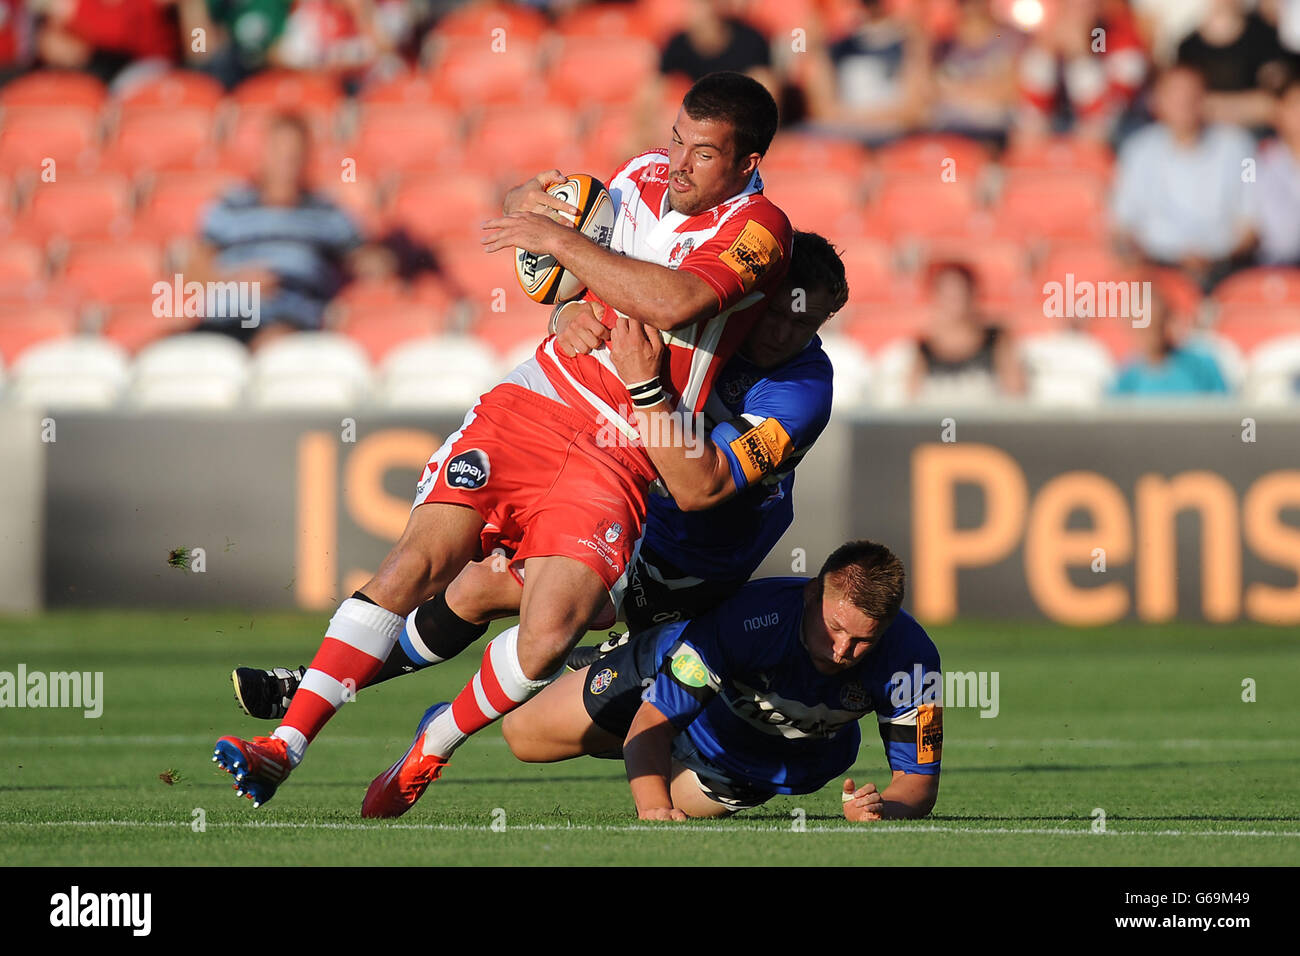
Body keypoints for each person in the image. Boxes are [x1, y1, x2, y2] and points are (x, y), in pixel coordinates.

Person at [212, 71, 792, 811]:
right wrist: (547, 251)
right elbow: (561, 252)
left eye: (703, 154)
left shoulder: (763, 230)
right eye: (676, 138)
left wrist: (558, 243)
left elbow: (673, 298)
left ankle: (431, 746)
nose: (676, 162)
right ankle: (280, 748)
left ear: (745, 165)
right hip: (537, 402)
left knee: (549, 636)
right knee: (415, 564)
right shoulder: (643, 173)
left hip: (622, 447)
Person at [501, 539, 942, 821]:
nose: (843, 650)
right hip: (670, 674)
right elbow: (652, 723)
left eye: (864, 640)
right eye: (835, 628)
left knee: (674, 790)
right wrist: (653, 809)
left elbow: (918, 783)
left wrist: (885, 808)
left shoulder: (914, 661)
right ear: (812, 595)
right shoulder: (750, 623)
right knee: (523, 738)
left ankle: (639, 743)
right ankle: (625, 657)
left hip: (753, 762)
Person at [189, 111, 363, 348]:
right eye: (279, 152)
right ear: (264, 153)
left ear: (306, 157)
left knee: (273, 346)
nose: (286, 162)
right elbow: (194, 271)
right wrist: (235, 282)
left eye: (293, 154)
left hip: (289, 320)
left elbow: (364, 260)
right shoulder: (230, 206)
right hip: (226, 320)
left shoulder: (327, 211)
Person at [1110, 64, 1256, 291]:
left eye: (1191, 94)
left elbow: (1251, 221)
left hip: (1224, 271)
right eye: (1174, 95)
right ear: (1157, 101)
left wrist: (1217, 259)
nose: (1183, 103)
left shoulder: (1240, 147)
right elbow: (1123, 224)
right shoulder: (1137, 150)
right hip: (1158, 270)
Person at [907, 261, 1024, 403]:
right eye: (947, 295)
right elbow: (912, 401)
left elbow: (1016, 394)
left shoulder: (997, 339)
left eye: (958, 293)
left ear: (972, 294)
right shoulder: (924, 347)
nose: (954, 301)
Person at [1109, 286, 1230, 397]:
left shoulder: (1201, 367)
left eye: (1154, 325)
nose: (1147, 334)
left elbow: (1223, 409)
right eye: (1139, 327)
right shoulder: (1128, 378)